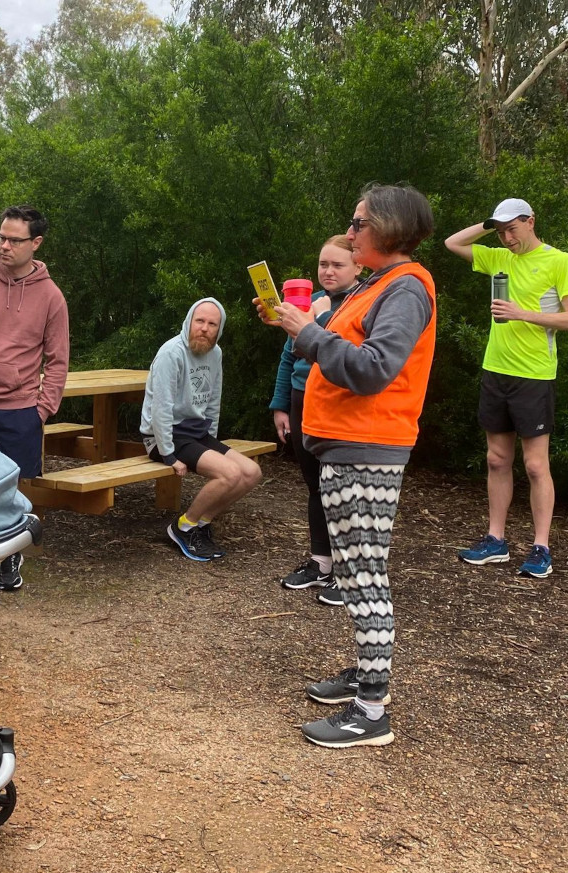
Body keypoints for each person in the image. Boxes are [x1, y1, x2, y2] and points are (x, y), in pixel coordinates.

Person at [258, 183, 436, 749]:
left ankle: (371, 712)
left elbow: (373, 369)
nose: (351, 231)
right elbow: (338, 347)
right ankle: (366, 674)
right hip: (347, 447)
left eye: (358, 224)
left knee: (363, 575)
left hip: (368, 449)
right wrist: (296, 326)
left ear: (387, 229)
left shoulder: (406, 288)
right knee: (359, 569)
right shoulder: (376, 285)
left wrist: (307, 333)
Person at [444, 199, 568, 578]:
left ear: (531, 221)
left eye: (513, 229)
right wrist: (489, 224)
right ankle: (496, 541)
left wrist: (522, 313)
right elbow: (452, 243)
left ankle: (541, 547)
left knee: (536, 465)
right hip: (496, 370)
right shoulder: (498, 258)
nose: (508, 238)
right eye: (502, 231)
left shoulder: (560, 261)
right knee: (496, 459)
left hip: (535, 375)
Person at [0, 205, 69, 606]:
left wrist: (41, 409)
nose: (4, 245)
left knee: (12, 494)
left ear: (35, 243)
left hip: (21, 410)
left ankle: (9, 557)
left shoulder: (51, 297)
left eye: (14, 240)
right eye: (0, 237)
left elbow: (58, 359)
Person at [268, 236, 362, 602]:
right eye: (323, 264)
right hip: (301, 399)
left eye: (337, 265)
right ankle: (321, 562)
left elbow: (351, 353)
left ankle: (349, 572)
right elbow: (289, 357)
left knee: (342, 487)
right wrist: (280, 404)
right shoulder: (304, 304)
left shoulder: (360, 302)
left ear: (358, 267)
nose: (328, 271)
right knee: (314, 484)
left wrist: (317, 318)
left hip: (338, 402)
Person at [141, 298, 262, 561]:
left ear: (219, 329)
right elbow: (160, 408)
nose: (205, 328)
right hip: (165, 435)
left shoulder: (215, 353)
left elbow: (212, 399)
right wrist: (169, 454)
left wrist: (212, 441)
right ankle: (183, 527)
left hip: (197, 433)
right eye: (200, 321)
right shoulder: (171, 353)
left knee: (251, 472)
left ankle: (201, 523)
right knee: (229, 474)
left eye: (212, 324)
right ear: (189, 322)